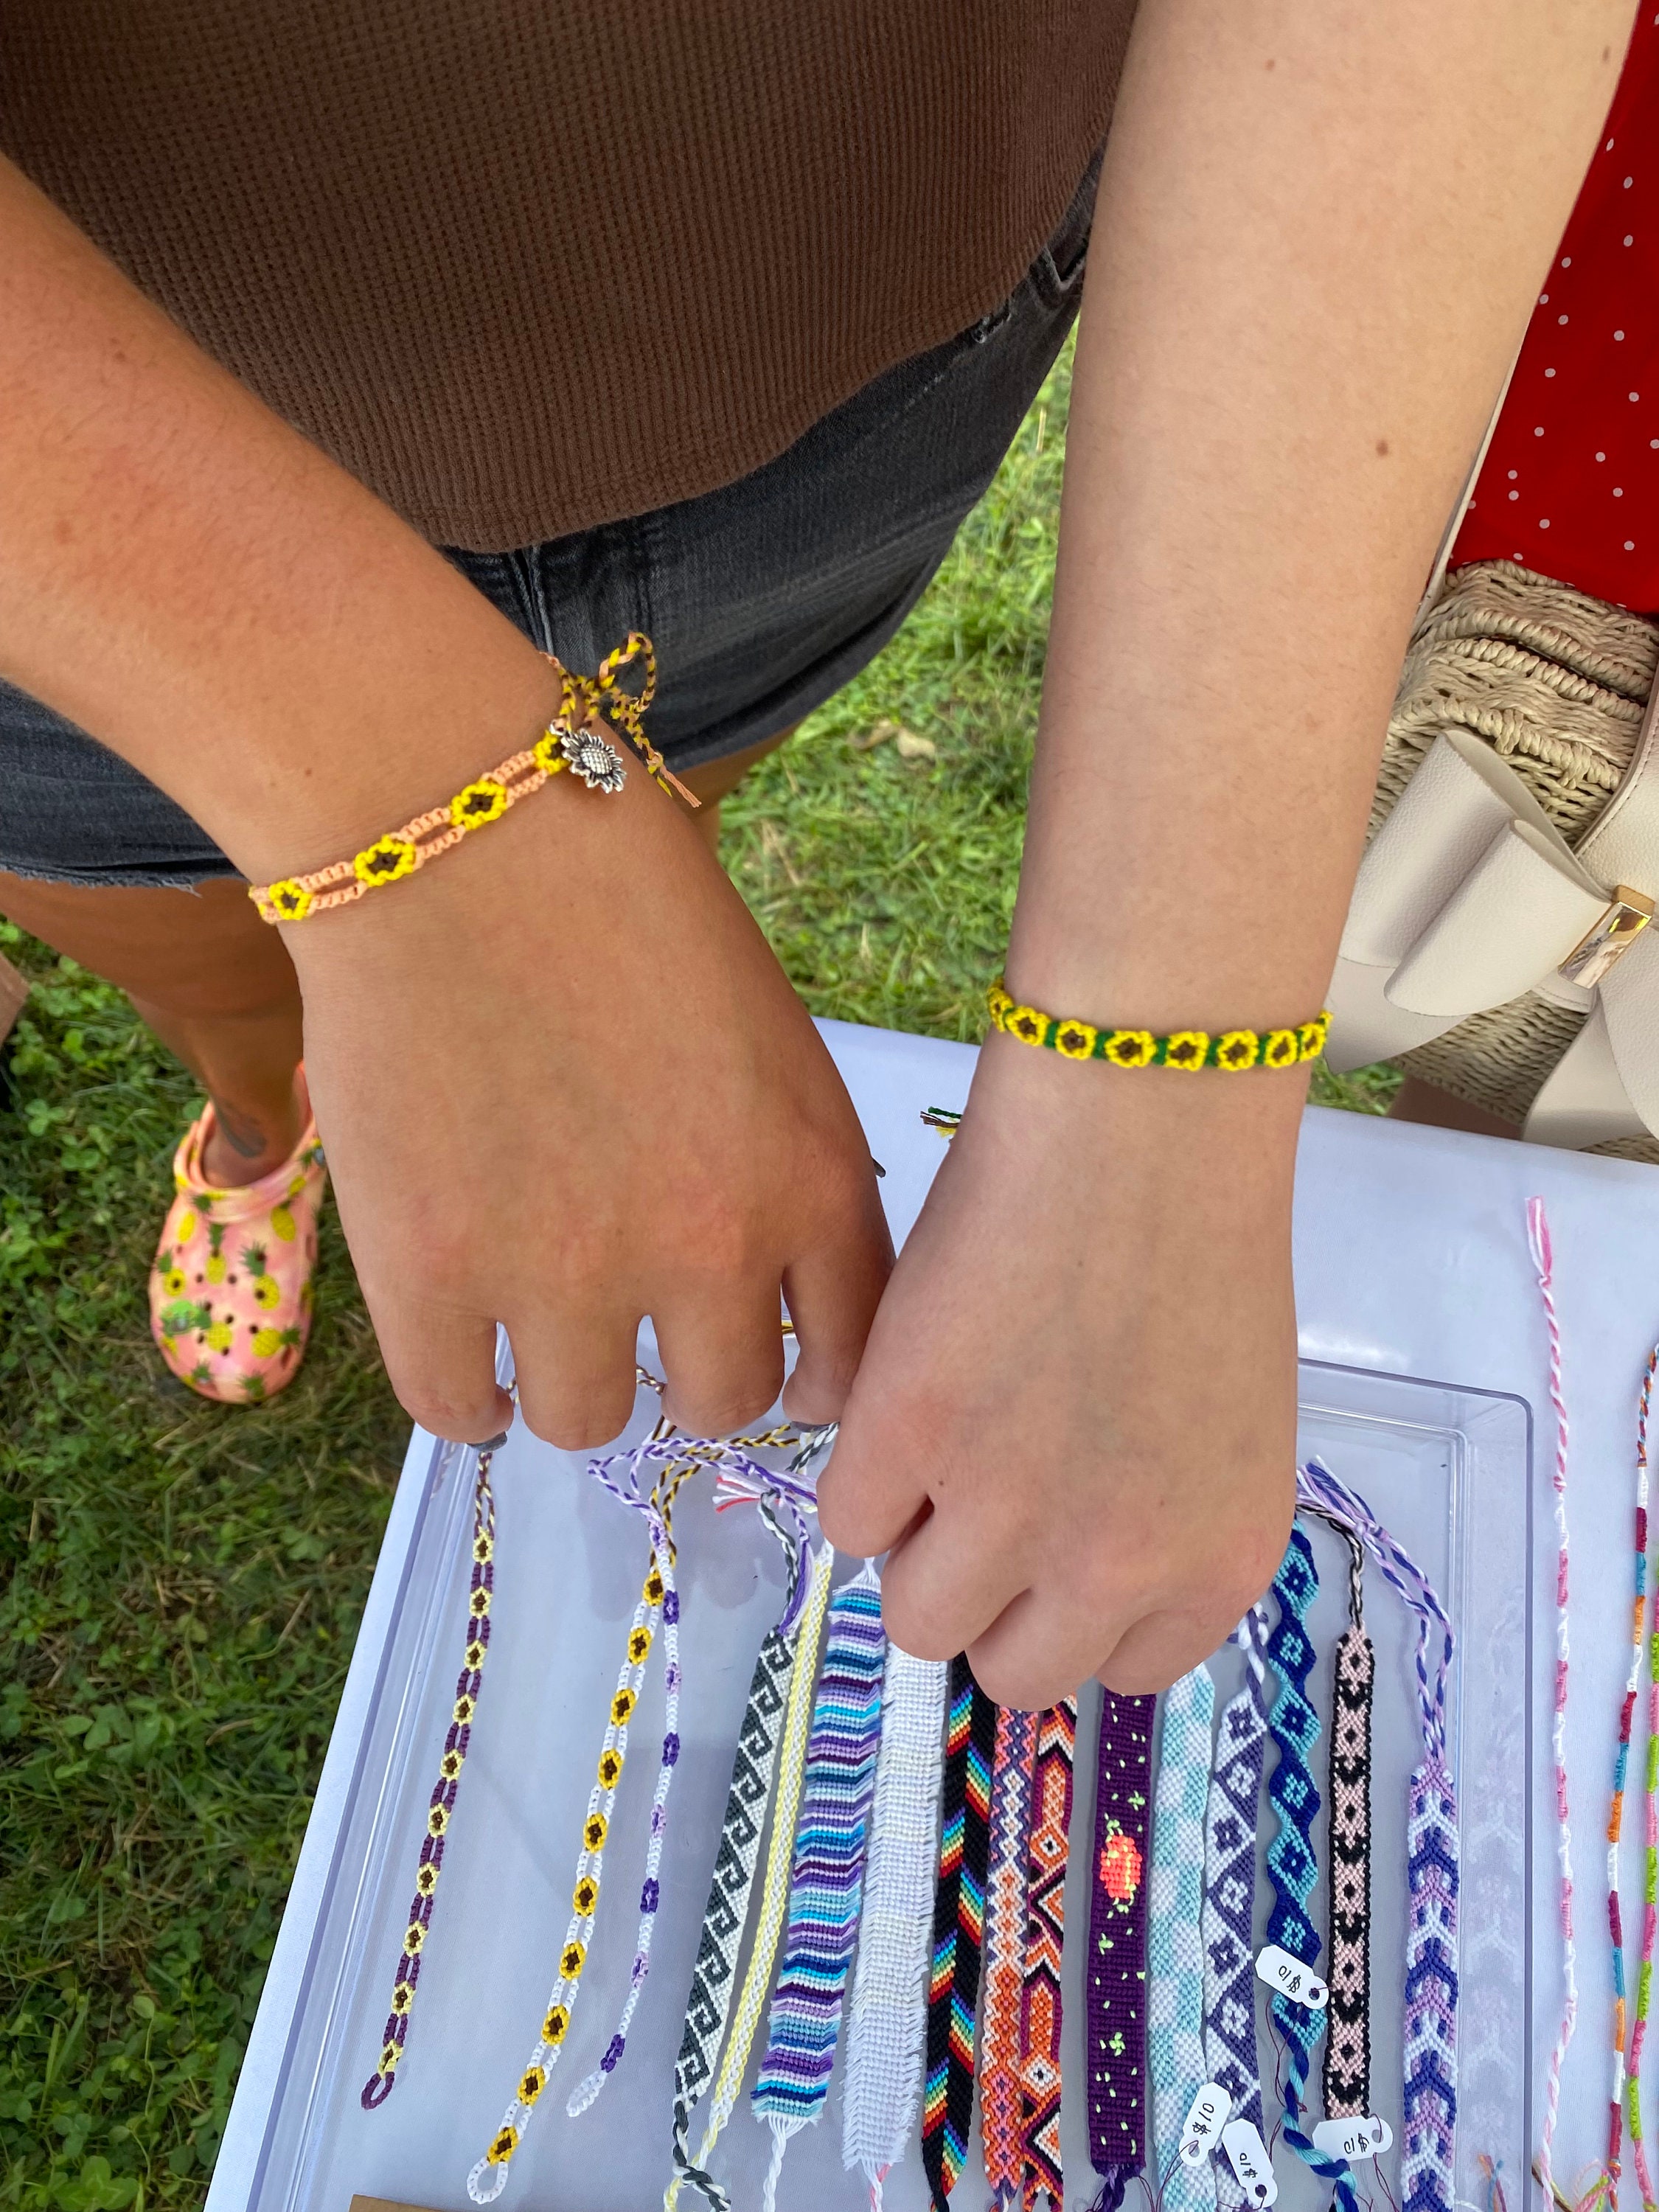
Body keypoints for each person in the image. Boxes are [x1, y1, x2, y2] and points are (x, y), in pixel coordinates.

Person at [0, 1, 1635, 1708]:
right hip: (71, 569)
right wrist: (420, 836)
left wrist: (1158, 1113)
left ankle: (585, 940)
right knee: (210, 956)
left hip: (836, 392)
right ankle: (262, 1122)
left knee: (667, 831)